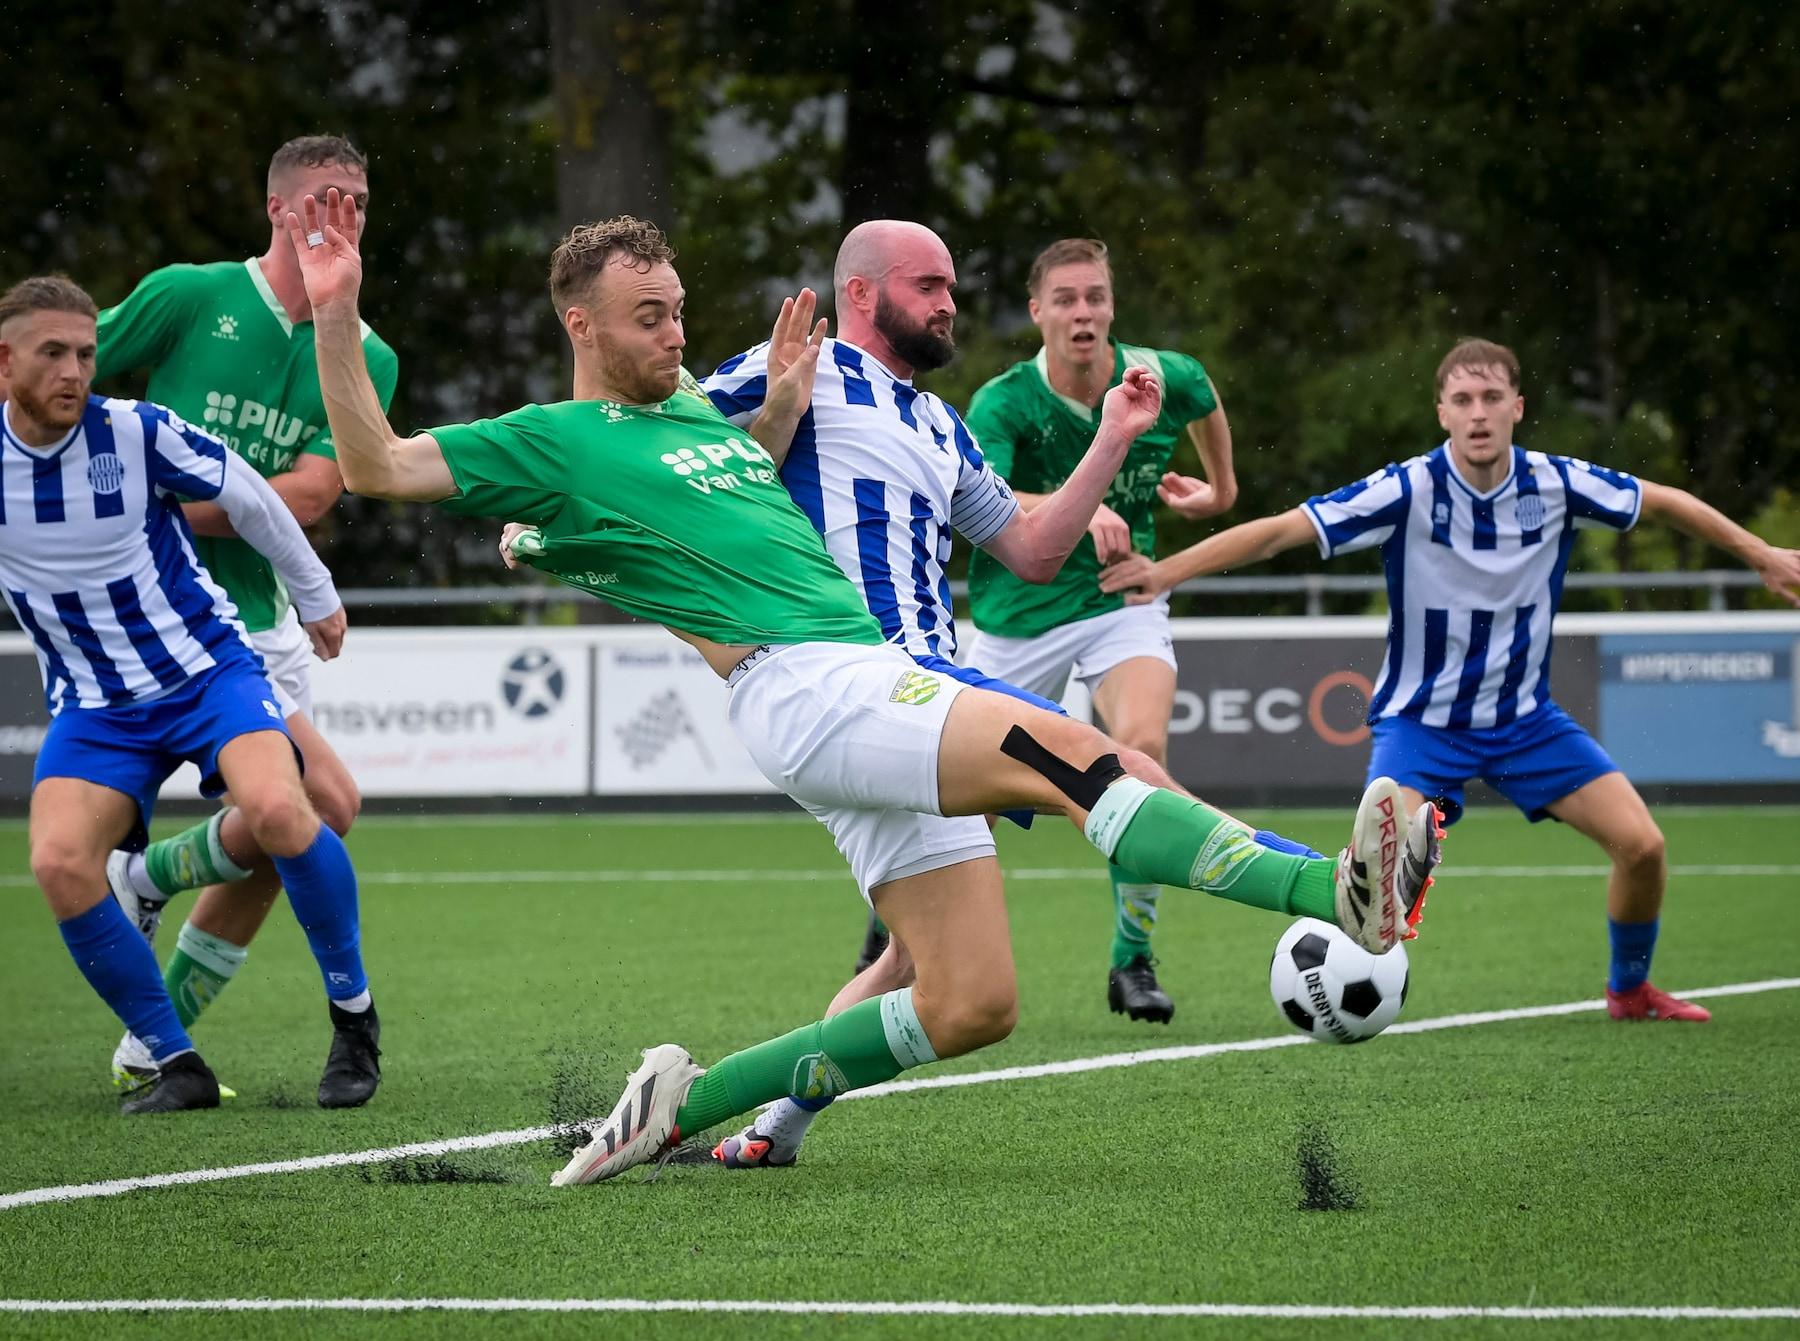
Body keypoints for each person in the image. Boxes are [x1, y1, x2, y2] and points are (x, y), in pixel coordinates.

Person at [289, 191, 1434, 1184]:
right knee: (1079, 754)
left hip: (859, 683)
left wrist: (778, 409)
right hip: (818, 683)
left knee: (970, 1000)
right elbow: (380, 466)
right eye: (652, 317)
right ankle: (1332, 891)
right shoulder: (557, 437)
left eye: (682, 309)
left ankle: (685, 1103)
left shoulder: (702, 409)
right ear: (579, 324)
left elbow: (753, 471)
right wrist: (338, 311)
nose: (678, 333)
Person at [689, 221, 1338, 1169]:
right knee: (1110, 762)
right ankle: (1325, 886)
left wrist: (1115, 437)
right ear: (863, 295)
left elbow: (1032, 554)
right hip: (849, 679)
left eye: (953, 284)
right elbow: (665, 457)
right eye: (930, 284)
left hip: (909, 694)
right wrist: (551, 521)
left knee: (947, 987)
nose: (951, 301)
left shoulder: (938, 424)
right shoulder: (798, 365)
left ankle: (761, 1127)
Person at [1101, 337, 1800, 1021]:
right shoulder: (1408, 488)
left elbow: (1663, 501)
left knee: (1644, 847)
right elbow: (1282, 531)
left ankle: (1630, 991)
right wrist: (1167, 572)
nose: (1478, 412)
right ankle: (1322, 900)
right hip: (1422, 727)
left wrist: (1760, 555)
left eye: (1492, 397)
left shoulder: (1554, 482)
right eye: (1462, 399)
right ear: (1442, 412)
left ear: (1517, 407)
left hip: (1527, 724)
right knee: (1368, 883)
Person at [0, 275, 377, 1112]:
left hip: (207, 674)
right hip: (96, 709)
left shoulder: (134, 433)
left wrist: (316, 596)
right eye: (53, 353)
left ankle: (354, 1022)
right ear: (4, 363)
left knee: (288, 809)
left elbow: (249, 496)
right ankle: (176, 1063)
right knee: (59, 862)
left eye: (86, 354)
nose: (75, 371)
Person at [93, 134, 396, 1090]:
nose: (339, 217)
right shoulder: (190, 296)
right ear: (278, 211)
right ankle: (154, 952)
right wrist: (96, 499)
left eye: (355, 201)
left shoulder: (366, 353)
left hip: (263, 618)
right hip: (158, 609)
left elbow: (307, 496)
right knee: (324, 807)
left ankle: (153, 1021)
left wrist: (151, 492)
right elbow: (54, 370)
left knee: (294, 825)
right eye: (321, 201)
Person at [962, 238, 1240, 1024]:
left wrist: (1220, 492)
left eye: (1095, 297)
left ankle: (1133, 960)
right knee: (962, 804)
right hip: (1019, 617)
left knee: (1142, 748)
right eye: (1066, 299)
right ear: (1038, 312)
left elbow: (1205, 397)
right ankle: (892, 934)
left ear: (1111, 305)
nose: (1083, 312)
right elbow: (973, 494)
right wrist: (1078, 505)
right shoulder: (1004, 403)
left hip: (1123, 602)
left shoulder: (1160, 376)